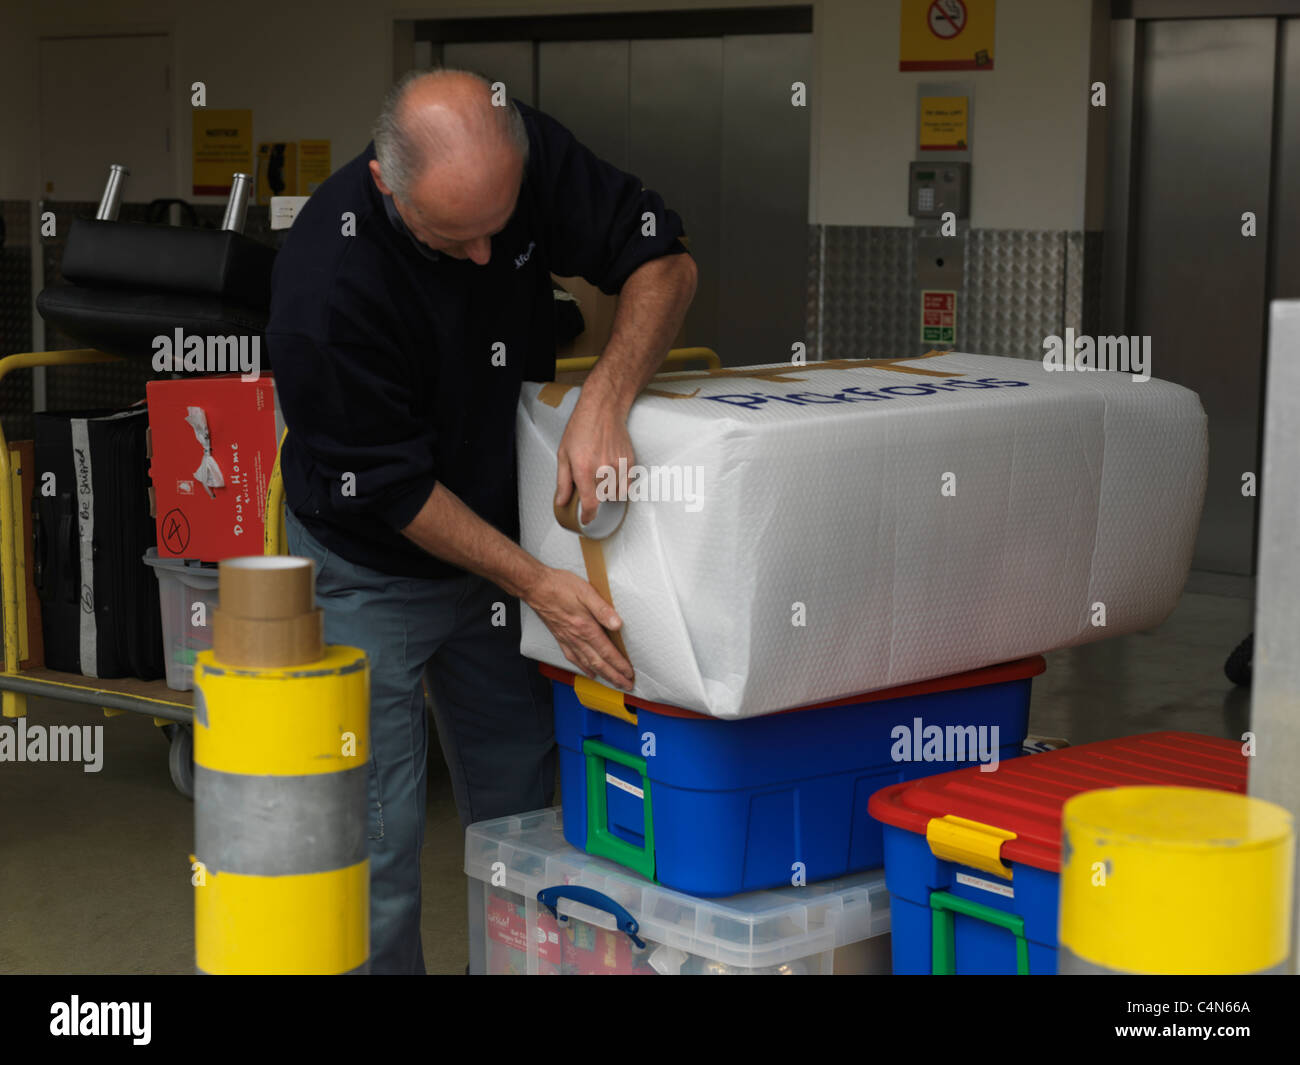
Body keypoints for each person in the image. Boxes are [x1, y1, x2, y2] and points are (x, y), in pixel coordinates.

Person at [266, 68, 697, 973]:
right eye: (453, 238)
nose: (482, 257)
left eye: (499, 232)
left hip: (502, 550)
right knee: (370, 839)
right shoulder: (326, 282)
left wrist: (605, 397)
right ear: (388, 187)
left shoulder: (517, 157)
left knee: (523, 816)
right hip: (367, 564)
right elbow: (395, 492)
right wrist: (540, 582)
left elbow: (665, 257)